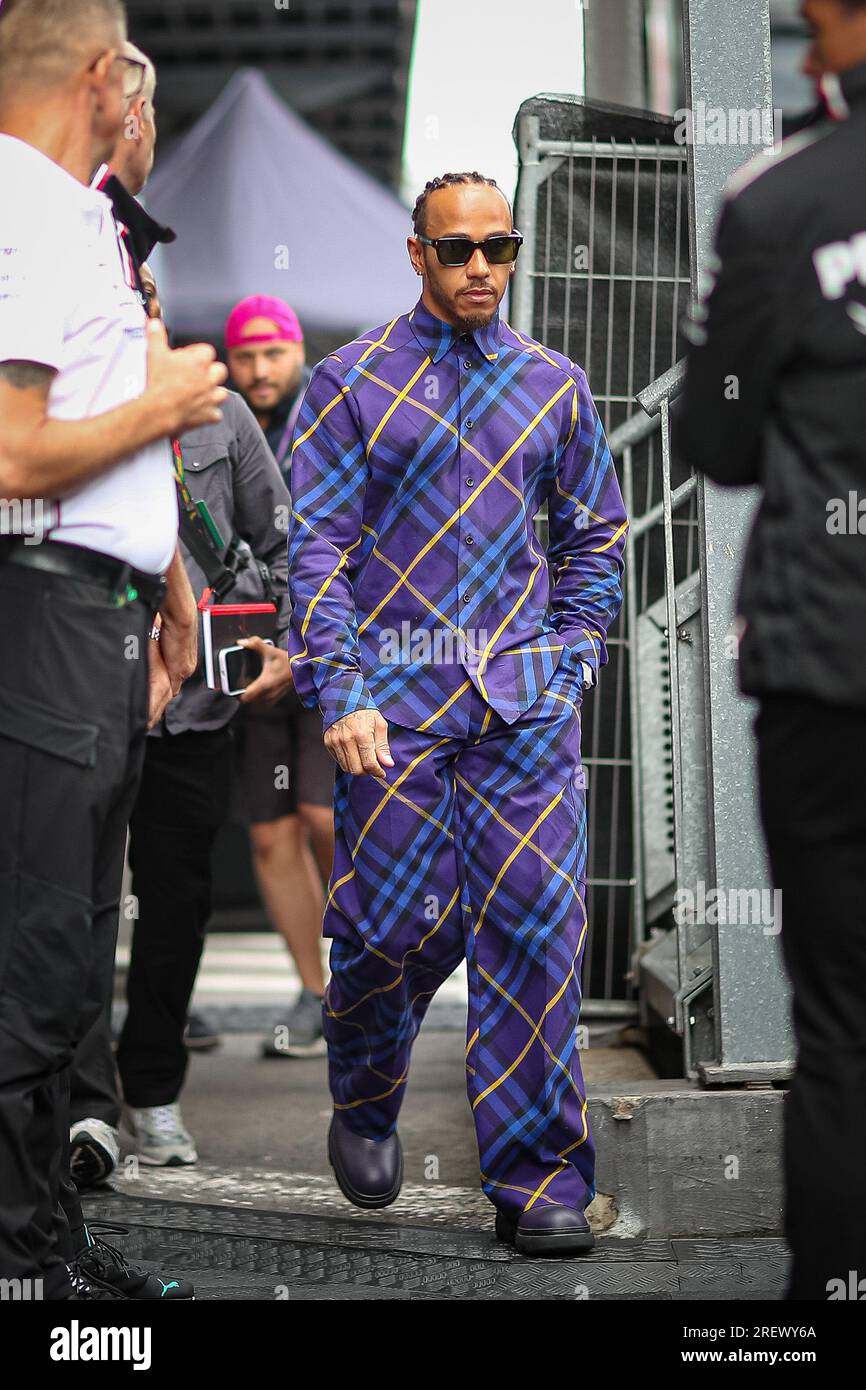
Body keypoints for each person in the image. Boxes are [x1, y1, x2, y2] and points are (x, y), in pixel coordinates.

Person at [288, 171, 627, 1254]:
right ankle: (365, 1088)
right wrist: (338, 691)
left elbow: (593, 539)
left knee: (532, 928)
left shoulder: (553, 387)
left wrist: (570, 661)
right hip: (390, 711)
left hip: (524, 710)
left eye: (496, 245)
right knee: (389, 931)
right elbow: (317, 552)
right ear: (416, 255)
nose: (478, 266)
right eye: (454, 249)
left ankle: (537, 1183)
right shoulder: (347, 385)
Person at [0, 0, 227, 1299]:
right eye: (137, 78)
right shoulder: (25, 206)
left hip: (95, 612)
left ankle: (46, 1245)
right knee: (36, 965)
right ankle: (19, 1264)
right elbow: (11, 453)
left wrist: (172, 583)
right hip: (45, 608)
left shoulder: (63, 209)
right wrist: (168, 397)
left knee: (73, 961)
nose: (144, 104)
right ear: (102, 77)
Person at [64, 58, 295, 1183]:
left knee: (173, 913)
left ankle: (151, 1095)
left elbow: (288, 543)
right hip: (84, 699)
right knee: (72, 908)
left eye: (146, 291)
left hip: (196, 714)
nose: (138, 302)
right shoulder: (70, 412)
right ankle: (76, 1102)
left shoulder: (220, 424)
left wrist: (276, 646)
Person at [676, 0, 866, 1303]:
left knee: (843, 1032)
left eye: (814, 20)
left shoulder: (776, 196)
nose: (805, 45)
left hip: (829, 663)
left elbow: (720, 437)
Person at [227, 296, 335, 1059]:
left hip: (326, 649)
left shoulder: (331, 416)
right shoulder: (217, 425)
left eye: (273, 352)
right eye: (246, 355)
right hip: (245, 655)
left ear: (296, 351)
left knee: (328, 820)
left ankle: (364, 974)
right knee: (270, 833)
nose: (260, 368)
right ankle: (314, 992)